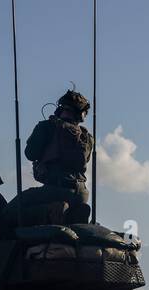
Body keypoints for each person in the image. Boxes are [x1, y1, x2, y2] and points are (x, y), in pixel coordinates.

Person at [23, 88, 94, 221]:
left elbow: (30, 154)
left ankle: (50, 210)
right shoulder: (87, 137)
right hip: (82, 194)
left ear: (59, 109)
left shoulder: (46, 127)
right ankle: (74, 213)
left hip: (55, 190)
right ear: (81, 116)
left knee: (12, 211)